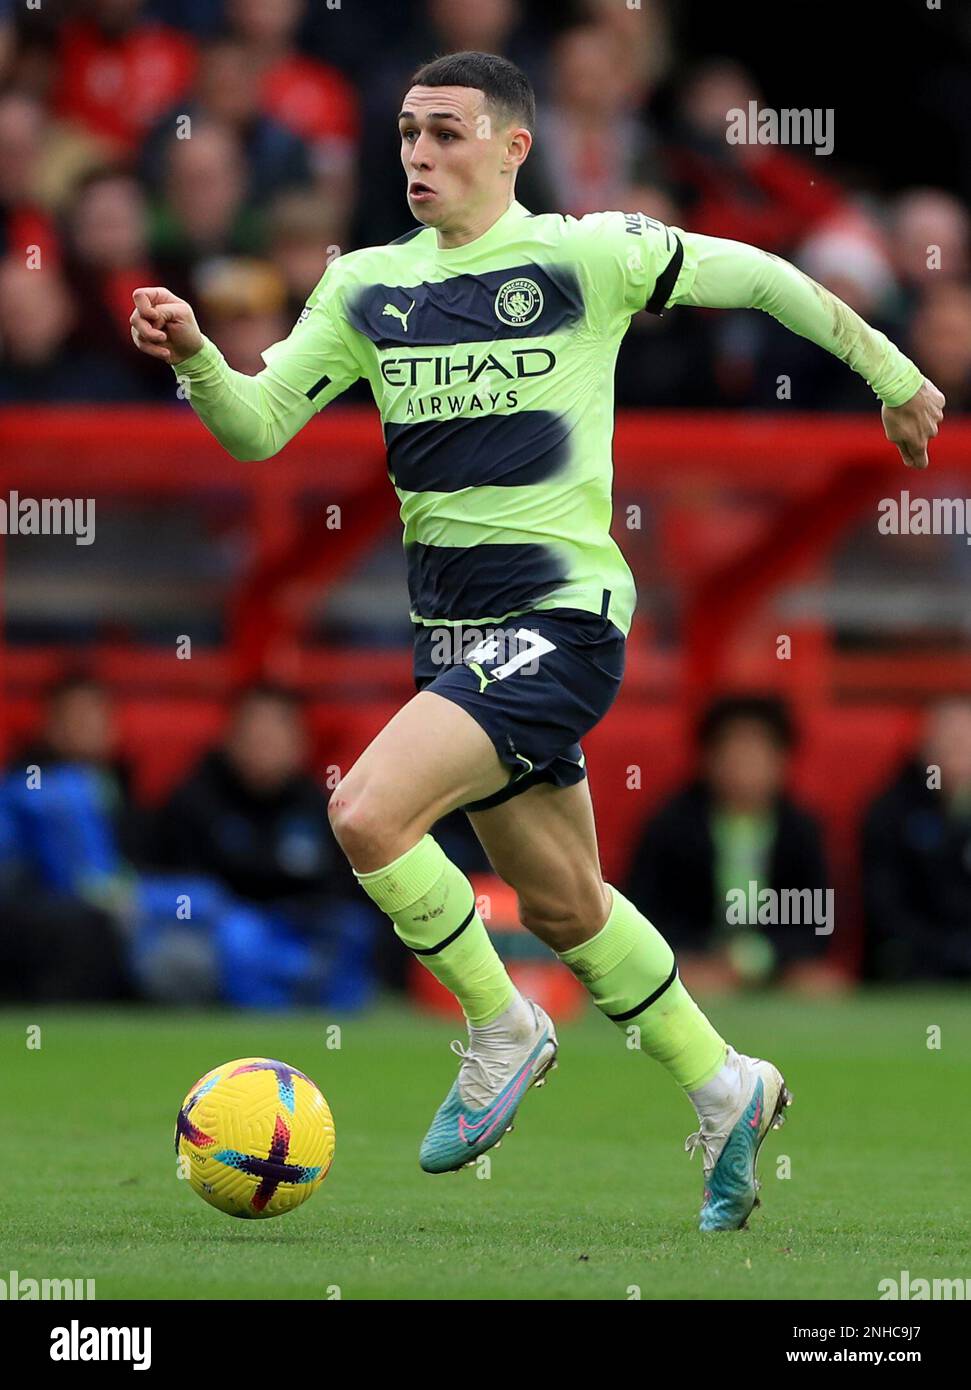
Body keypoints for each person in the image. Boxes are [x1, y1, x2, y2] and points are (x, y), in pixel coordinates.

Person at [130, 50, 944, 1232]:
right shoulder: (362, 287)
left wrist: (890, 369)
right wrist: (201, 357)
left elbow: (764, 276)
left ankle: (501, 1024)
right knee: (565, 904)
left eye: (447, 132)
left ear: (513, 146)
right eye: (407, 132)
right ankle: (727, 1085)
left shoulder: (586, 253)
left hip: (561, 621)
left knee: (363, 814)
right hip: (455, 645)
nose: (419, 153)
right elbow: (258, 428)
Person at [625, 696, 842, 996]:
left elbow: (816, 924)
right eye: (733, 752)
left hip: (780, 968)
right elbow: (643, 915)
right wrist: (694, 960)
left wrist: (756, 959)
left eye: (757, 753)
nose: (744, 764)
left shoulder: (802, 829)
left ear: (781, 760)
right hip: (693, 965)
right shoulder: (670, 825)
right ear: (708, 758)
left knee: (821, 988)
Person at [862, 699, 971, 981]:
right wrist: (947, 948)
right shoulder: (891, 813)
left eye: (964, 745)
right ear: (925, 749)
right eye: (947, 744)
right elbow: (885, 907)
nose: (957, 756)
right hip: (917, 959)